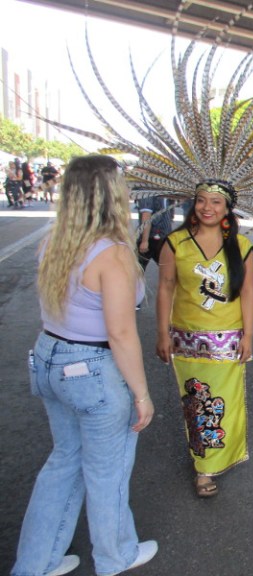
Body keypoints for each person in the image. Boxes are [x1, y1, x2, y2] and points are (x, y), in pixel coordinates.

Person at [12, 155, 157, 576]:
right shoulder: (112, 255)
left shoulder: (54, 241)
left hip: (49, 357)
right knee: (107, 470)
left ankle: (36, 563)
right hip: (91, 367)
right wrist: (142, 394)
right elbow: (121, 334)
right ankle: (116, 556)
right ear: (112, 195)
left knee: (64, 461)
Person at [156, 181, 253, 497]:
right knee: (197, 404)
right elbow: (165, 288)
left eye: (215, 202)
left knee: (224, 404)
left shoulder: (241, 246)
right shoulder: (175, 243)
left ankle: (217, 459)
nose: (207, 207)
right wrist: (162, 332)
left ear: (227, 209)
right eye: (201, 201)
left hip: (228, 340)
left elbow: (248, 292)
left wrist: (249, 335)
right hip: (187, 340)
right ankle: (204, 467)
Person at [136, 194, 175, 271]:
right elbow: (146, 214)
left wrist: (144, 241)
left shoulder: (155, 190)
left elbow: (147, 214)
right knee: (137, 270)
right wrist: (145, 241)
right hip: (154, 236)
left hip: (159, 236)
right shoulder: (149, 191)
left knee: (169, 269)